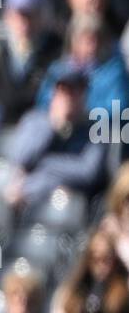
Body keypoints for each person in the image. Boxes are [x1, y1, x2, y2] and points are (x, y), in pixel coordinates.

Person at [7, 66, 108, 215]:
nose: (68, 98)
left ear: (84, 96)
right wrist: (52, 126)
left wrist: (44, 166)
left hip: (69, 209)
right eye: (64, 91)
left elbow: (88, 172)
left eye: (75, 92)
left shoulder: (96, 130)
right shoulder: (34, 121)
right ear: (54, 93)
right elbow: (21, 159)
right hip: (26, 207)